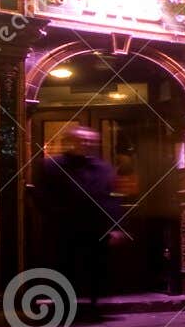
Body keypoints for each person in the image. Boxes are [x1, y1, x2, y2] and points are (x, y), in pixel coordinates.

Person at [36, 125, 125, 317]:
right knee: (64, 267)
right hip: (64, 228)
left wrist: (115, 226)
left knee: (96, 267)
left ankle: (93, 306)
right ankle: (64, 307)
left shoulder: (103, 168)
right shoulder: (52, 166)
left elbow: (111, 197)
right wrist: (56, 217)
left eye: (90, 141)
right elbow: (43, 197)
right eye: (82, 140)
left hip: (95, 228)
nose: (86, 144)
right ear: (70, 142)